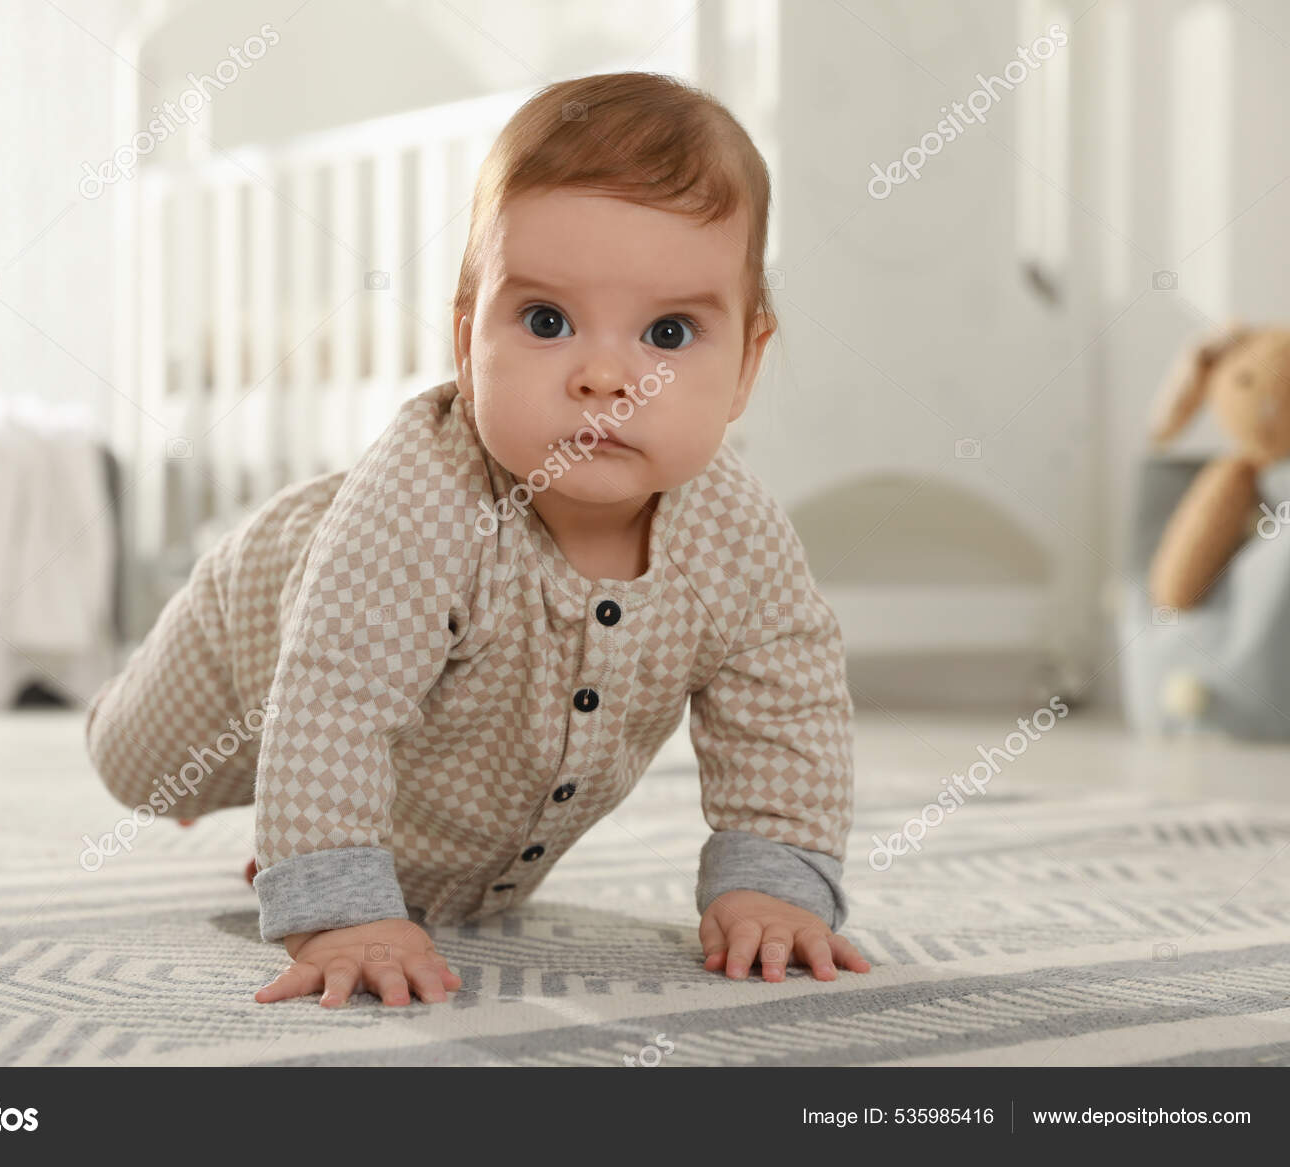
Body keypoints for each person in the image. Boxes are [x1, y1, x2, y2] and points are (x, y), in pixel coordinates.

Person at [86, 70, 869, 1009]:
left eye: (669, 331)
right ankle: (285, 803)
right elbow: (335, 699)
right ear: (466, 340)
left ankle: (321, 818)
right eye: (547, 322)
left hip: (444, 788)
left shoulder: (737, 542)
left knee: (398, 849)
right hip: (255, 623)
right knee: (140, 768)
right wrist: (336, 905)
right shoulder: (423, 511)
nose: (606, 374)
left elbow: (787, 707)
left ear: (746, 364)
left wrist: (773, 882)